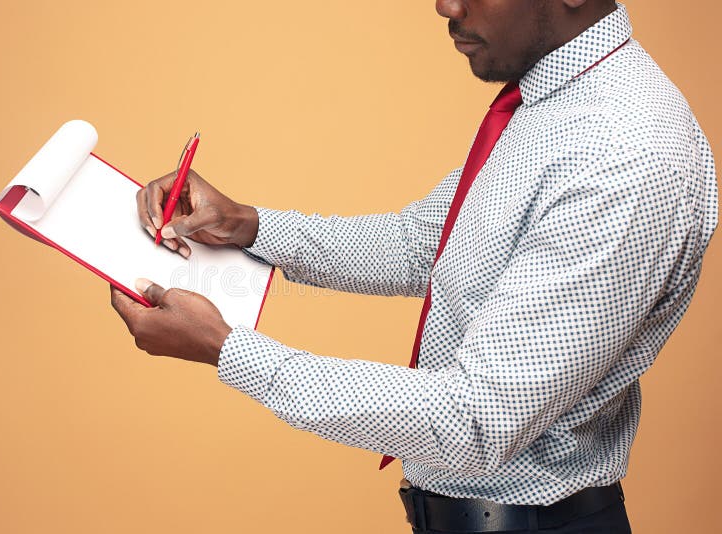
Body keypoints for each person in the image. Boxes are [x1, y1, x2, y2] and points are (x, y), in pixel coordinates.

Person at [110, 1, 718, 532]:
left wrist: (228, 350)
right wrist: (248, 225)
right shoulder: (554, 102)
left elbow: (475, 421)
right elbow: (425, 244)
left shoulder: (625, 154)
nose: (444, 7)